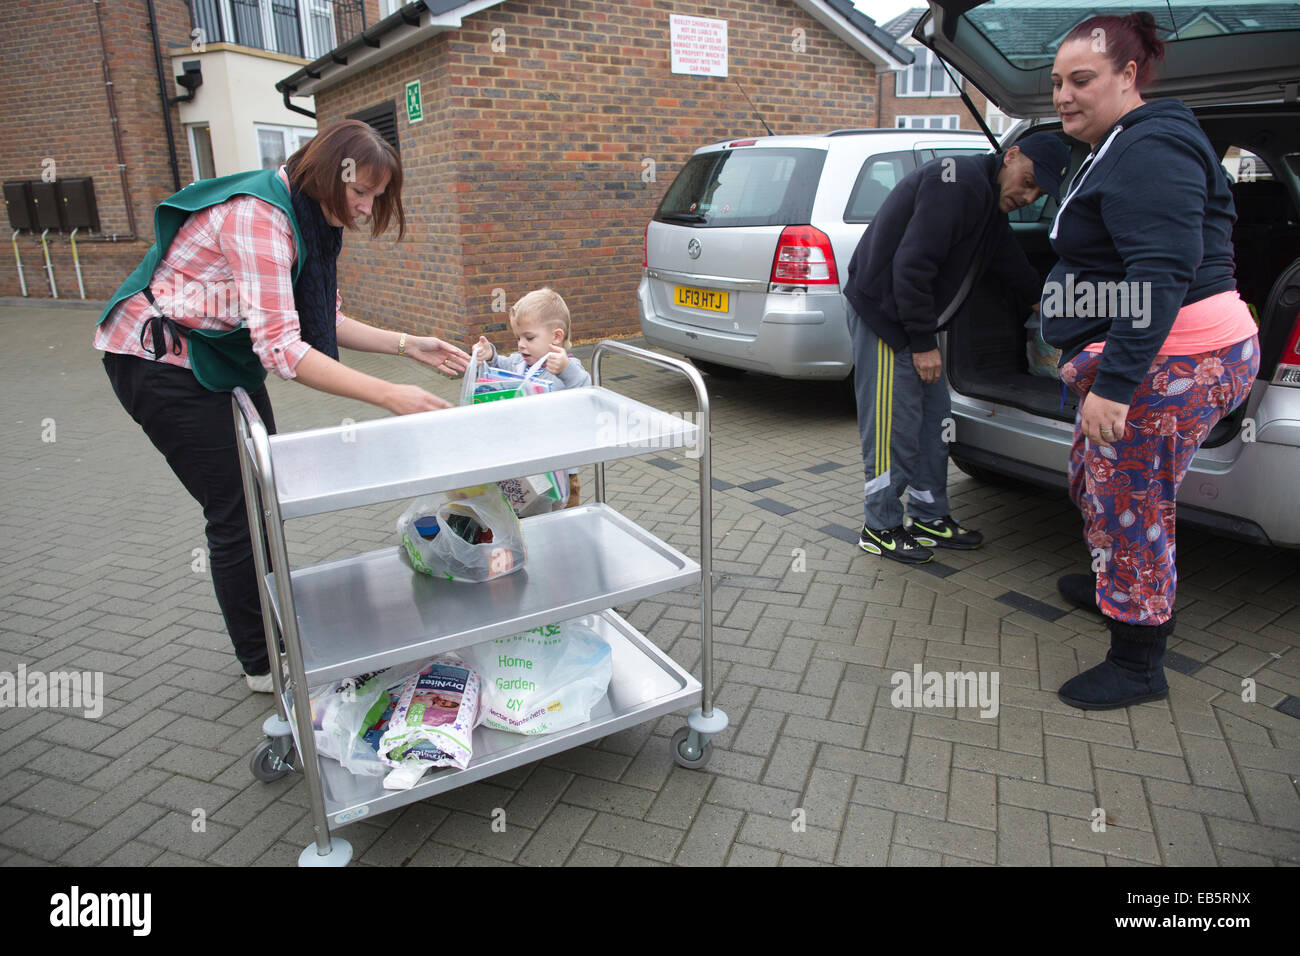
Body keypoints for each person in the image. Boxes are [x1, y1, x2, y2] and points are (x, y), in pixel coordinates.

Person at [94, 119, 470, 693]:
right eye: (361, 192)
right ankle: (262, 662)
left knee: (266, 493)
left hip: (218, 357)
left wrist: (406, 346)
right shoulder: (260, 217)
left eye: (376, 195)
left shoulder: (314, 221)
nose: (368, 208)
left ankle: (279, 624)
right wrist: (390, 394)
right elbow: (283, 350)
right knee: (238, 512)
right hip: (159, 363)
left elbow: (325, 321)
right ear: (327, 174)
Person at [1046, 13, 1260, 710]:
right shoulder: (1124, 142)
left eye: (1082, 80)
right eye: (1056, 82)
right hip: (1159, 353)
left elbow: (1161, 271)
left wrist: (1116, 383)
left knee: (1131, 506)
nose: (1063, 95)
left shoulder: (1152, 146)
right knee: (1091, 478)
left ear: (1128, 75)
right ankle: (1113, 579)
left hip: (1174, 359)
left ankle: (1139, 661)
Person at [843, 132, 1070, 564]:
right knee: (895, 426)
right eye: (1028, 181)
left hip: (909, 325)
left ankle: (928, 514)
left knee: (934, 422)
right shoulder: (958, 183)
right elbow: (913, 265)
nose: (1029, 194)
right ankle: (881, 525)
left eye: (1038, 192)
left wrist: (1042, 301)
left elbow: (1008, 261)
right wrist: (923, 342)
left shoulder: (986, 200)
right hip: (886, 320)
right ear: (1012, 155)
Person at [472, 287, 592, 508]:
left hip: (560, 472)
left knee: (560, 521)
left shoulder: (568, 368)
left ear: (556, 337)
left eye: (529, 337)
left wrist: (565, 369)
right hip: (525, 468)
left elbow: (585, 391)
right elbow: (502, 367)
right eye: (518, 337)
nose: (521, 344)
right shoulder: (520, 362)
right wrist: (490, 355)